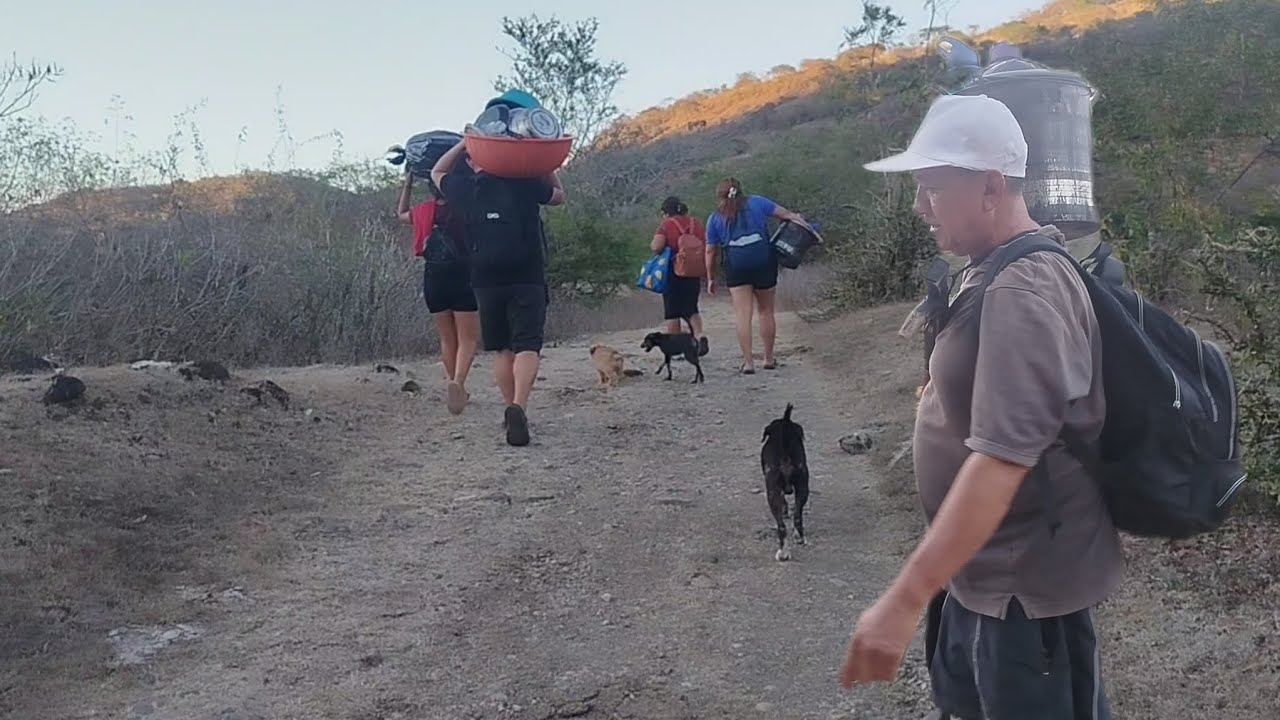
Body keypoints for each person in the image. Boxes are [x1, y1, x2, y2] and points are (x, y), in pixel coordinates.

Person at [837, 94, 1121, 720]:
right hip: (983, 580)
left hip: (1025, 594)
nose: (919, 207)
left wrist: (903, 600)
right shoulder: (988, 267)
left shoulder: (1025, 285)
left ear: (991, 188)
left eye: (933, 189)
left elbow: (1000, 464)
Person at [431, 136, 566, 447]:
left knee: (503, 349)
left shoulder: (467, 188)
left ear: (476, 160)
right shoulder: (526, 184)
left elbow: (437, 173)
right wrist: (544, 164)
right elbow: (560, 196)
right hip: (527, 276)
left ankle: (509, 410)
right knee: (527, 346)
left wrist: (464, 144)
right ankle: (519, 406)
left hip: (486, 280)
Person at [396, 171, 478, 415]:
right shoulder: (466, 209)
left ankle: (453, 383)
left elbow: (401, 214)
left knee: (446, 338)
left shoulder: (423, 211)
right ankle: (458, 383)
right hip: (463, 276)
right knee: (468, 339)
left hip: (433, 278)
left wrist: (408, 184)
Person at [703, 178, 805, 374]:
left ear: (719, 196)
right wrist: (802, 223)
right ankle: (768, 358)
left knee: (743, 314)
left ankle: (749, 362)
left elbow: (710, 251)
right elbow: (787, 215)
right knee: (766, 311)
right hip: (763, 260)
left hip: (736, 265)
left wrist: (711, 278)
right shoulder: (757, 202)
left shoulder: (714, 218)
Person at [651, 195, 709, 356]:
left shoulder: (666, 225)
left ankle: (676, 347)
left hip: (672, 272)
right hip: (693, 271)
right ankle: (699, 336)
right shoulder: (696, 223)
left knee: (672, 312)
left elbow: (656, 247)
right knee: (692, 309)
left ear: (665, 212)